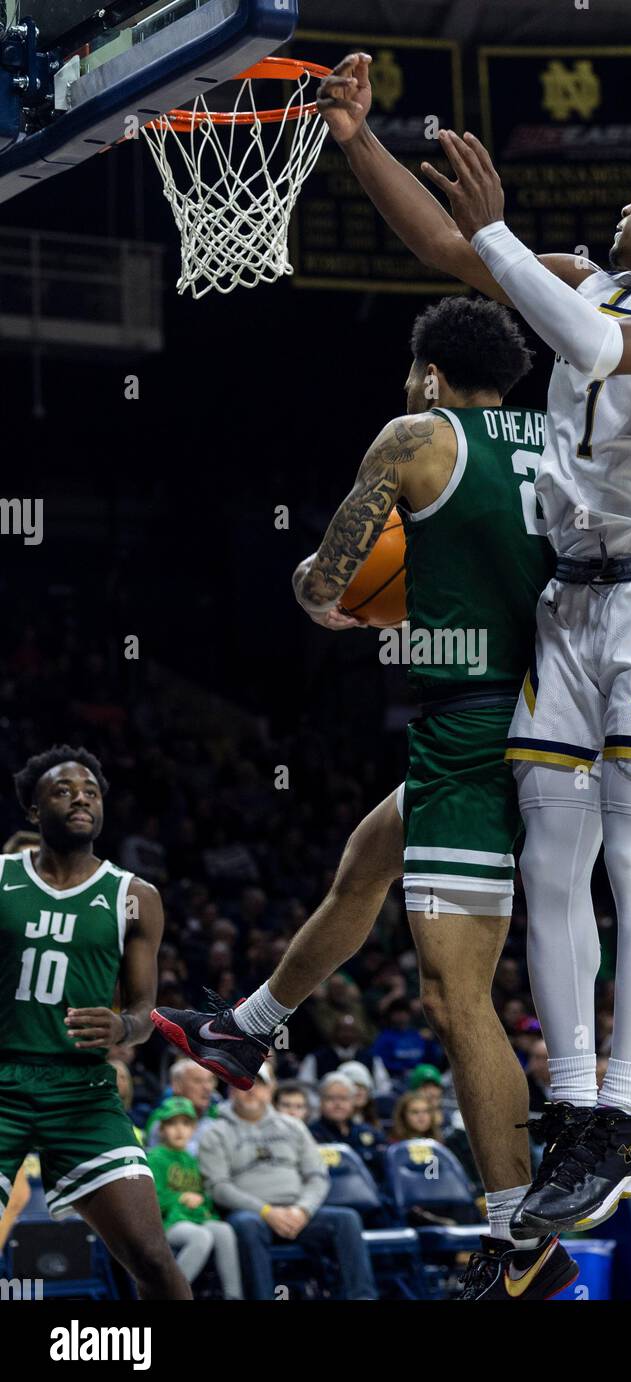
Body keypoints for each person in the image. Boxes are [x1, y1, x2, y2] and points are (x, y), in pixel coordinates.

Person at [306, 54, 631, 1241]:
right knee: (552, 843)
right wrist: (356, 142)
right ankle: (570, 1103)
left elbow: (595, 347)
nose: (621, 208)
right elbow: (454, 255)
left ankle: (621, 1111)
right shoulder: (587, 278)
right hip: (570, 601)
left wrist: (505, 238)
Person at [151, 295, 581, 1299]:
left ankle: (521, 1240)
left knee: (451, 992)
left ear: (430, 374)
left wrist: (342, 589)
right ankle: (248, 1026)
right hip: (560, 716)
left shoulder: (414, 436)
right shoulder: (564, 433)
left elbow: (320, 589)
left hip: (472, 727)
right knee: (366, 858)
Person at [0, 745, 190, 1299]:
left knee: (153, 1258)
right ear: (34, 812)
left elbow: (143, 1012)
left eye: (91, 791)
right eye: (62, 790)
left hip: (82, 1092)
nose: (81, 797)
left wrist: (121, 1029)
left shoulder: (136, 898)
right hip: (3, 1081)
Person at [197, 1067, 378, 1301]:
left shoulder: (293, 1127)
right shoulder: (215, 1133)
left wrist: (303, 1209)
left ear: (271, 1089)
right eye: (242, 1083)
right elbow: (218, 1187)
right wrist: (266, 1211)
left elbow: (317, 1176)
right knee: (246, 1224)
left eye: (259, 1084)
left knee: (347, 1219)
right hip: (253, 1215)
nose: (251, 1090)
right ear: (231, 1089)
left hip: (297, 1213)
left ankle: (362, 1297)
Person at [147, 1097, 243, 1298]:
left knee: (224, 1230)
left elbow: (204, 1194)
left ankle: (233, 1296)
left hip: (196, 1218)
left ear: (193, 1129)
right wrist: (180, 1198)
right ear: (161, 1129)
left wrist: (201, 1200)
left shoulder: (193, 1160)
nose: (179, 1130)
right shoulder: (155, 1157)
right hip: (169, 1223)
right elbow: (151, 1199)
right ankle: (170, 1294)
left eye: (185, 1124)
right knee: (202, 1236)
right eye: (172, 1124)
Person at [309, 1073, 387, 1180]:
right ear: (321, 1102)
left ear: (353, 1101)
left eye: (343, 1098)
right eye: (330, 1098)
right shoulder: (310, 1134)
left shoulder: (369, 1132)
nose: (337, 1104)